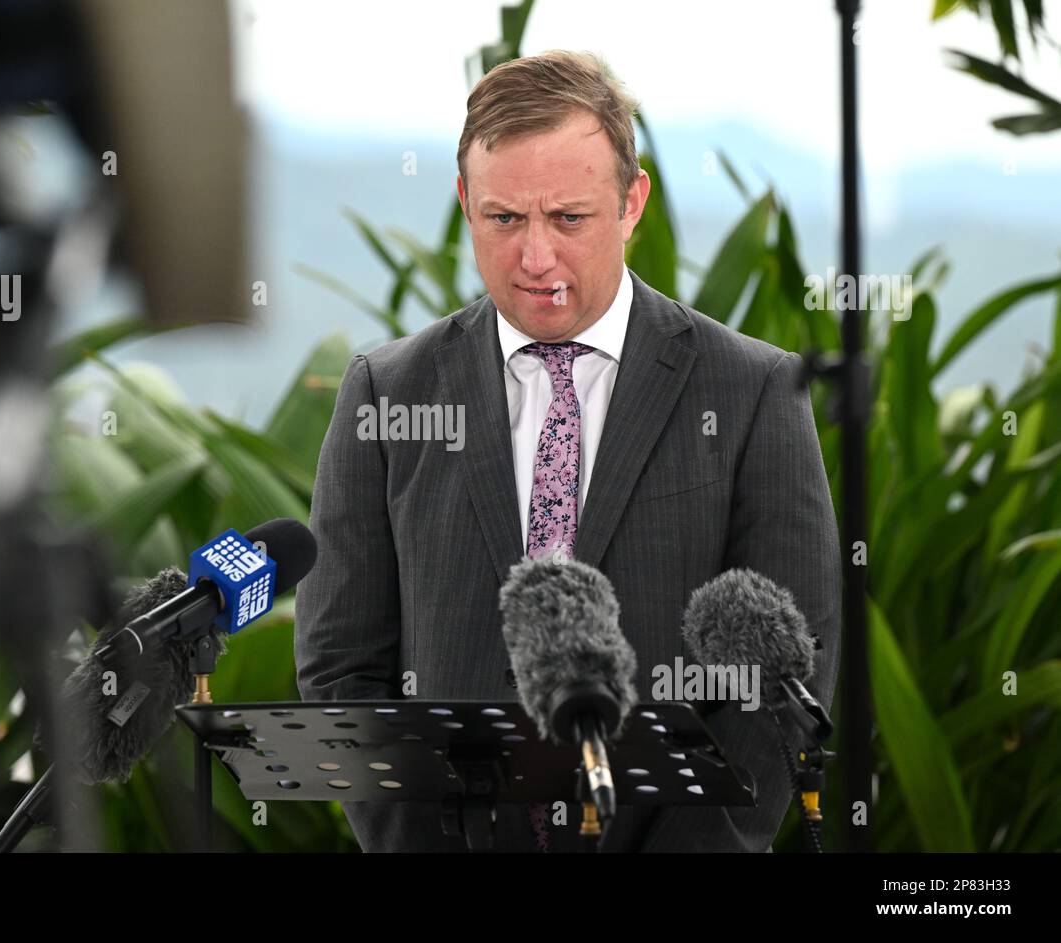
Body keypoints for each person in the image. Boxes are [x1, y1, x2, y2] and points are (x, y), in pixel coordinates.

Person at [294, 49, 841, 852]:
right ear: (464, 203)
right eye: (504, 218)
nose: (536, 257)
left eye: (569, 218)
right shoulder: (387, 392)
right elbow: (343, 667)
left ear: (632, 203)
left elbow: (795, 656)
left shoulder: (752, 390)